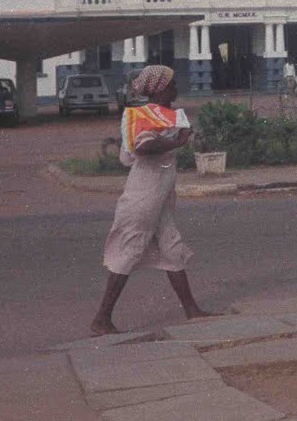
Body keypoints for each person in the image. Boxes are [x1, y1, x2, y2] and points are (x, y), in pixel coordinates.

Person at [90, 65, 212, 335]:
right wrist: (178, 143)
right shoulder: (143, 116)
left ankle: (191, 310)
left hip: (157, 197)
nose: (176, 89)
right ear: (161, 89)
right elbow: (142, 148)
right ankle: (101, 319)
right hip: (143, 195)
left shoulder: (162, 115)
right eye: (173, 84)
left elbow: (130, 153)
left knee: (171, 247)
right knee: (130, 250)